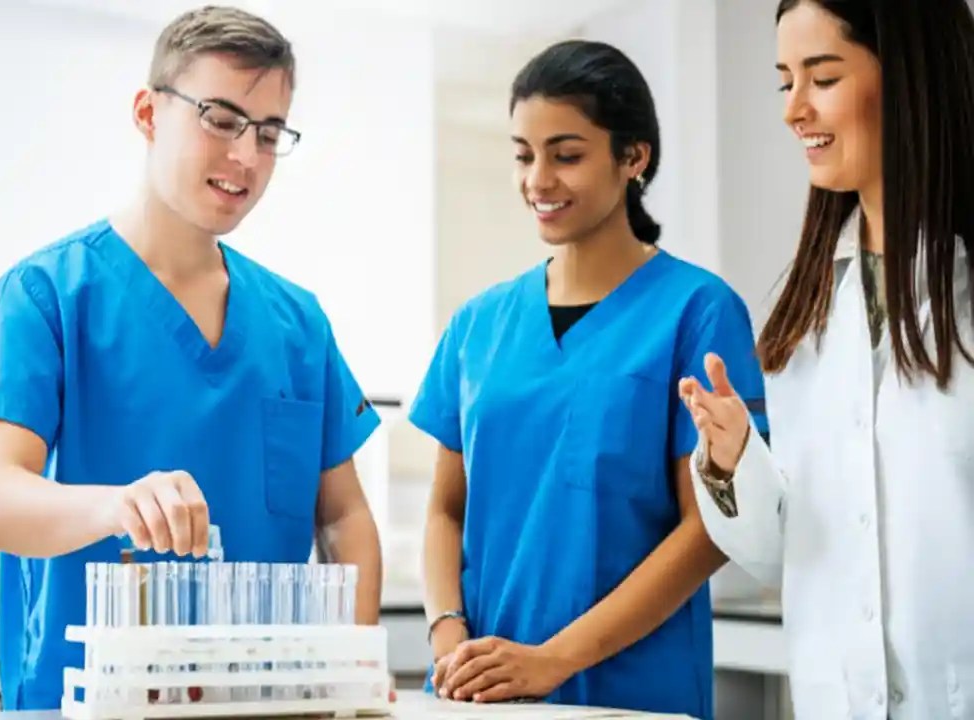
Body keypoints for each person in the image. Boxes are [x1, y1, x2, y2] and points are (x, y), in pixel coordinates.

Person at [0, 6, 384, 710]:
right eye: (221, 119)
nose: (246, 156)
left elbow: (343, 517)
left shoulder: (298, 323)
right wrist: (115, 505)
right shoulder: (47, 295)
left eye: (268, 133)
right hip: (86, 704)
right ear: (149, 114)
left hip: (263, 705)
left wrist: (350, 675)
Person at [411, 40, 768, 718]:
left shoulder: (697, 312)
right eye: (524, 155)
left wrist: (553, 660)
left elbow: (707, 530)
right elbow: (446, 508)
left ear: (634, 157)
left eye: (566, 155)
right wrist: (448, 636)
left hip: (632, 696)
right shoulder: (478, 323)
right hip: (480, 695)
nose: (538, 180)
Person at [680, 0, 974, 717]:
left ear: (911, 78)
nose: (793, 109)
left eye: (824, 77)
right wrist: (734, 464)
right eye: (786, 81)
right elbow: (791, 557)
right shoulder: (812, 310)